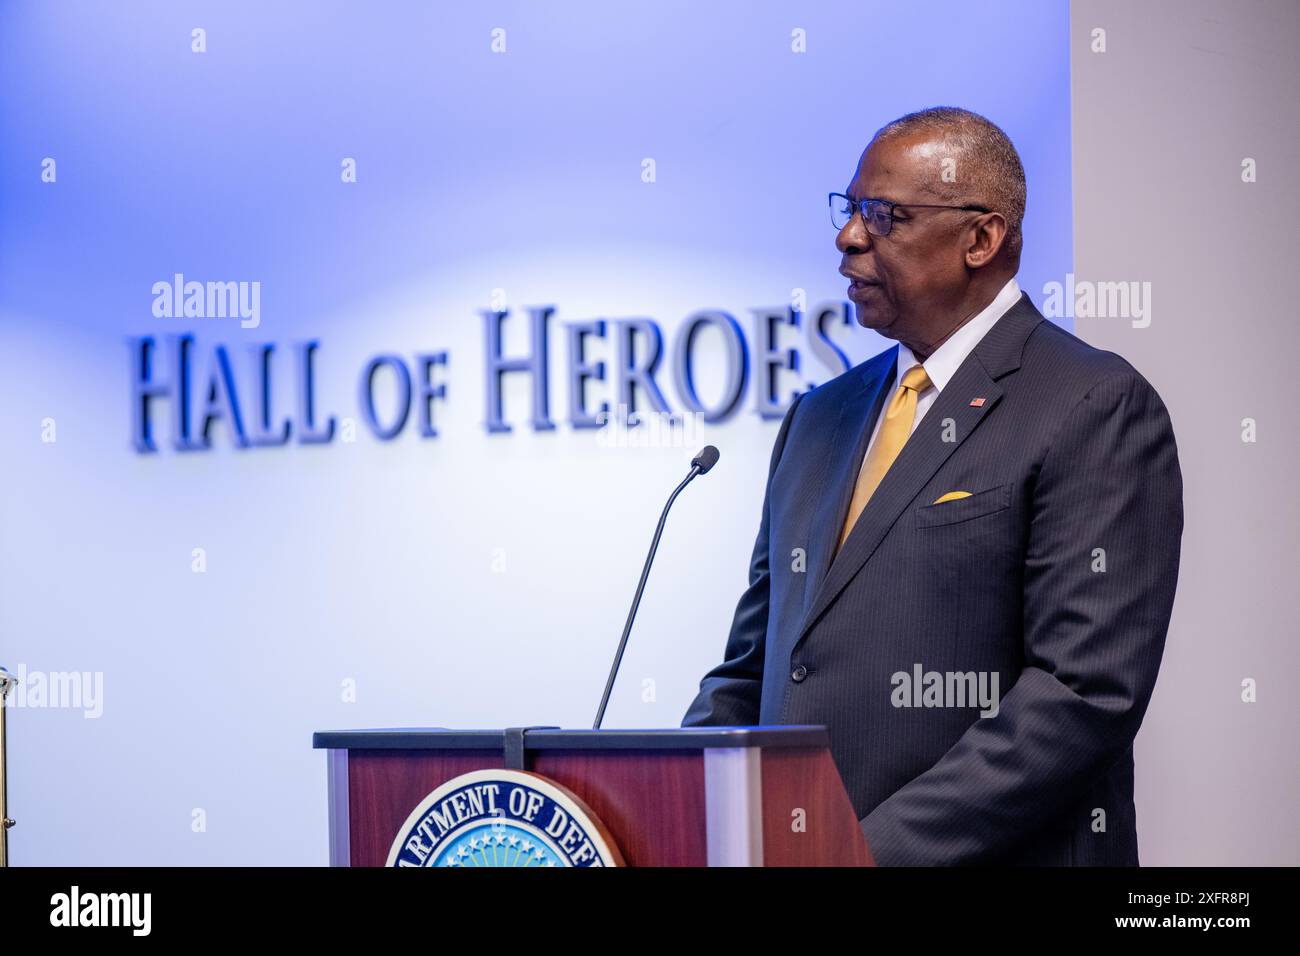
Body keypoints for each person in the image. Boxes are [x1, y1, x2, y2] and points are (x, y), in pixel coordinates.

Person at [681, 106, 1183, 866]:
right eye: (849, 209)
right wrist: (672, 797)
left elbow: (1081, 695)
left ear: (981, 239)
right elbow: (757, 667)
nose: (849, 238)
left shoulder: (1092, 404)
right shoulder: (820, 417)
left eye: (885, 215)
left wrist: (860, 854)